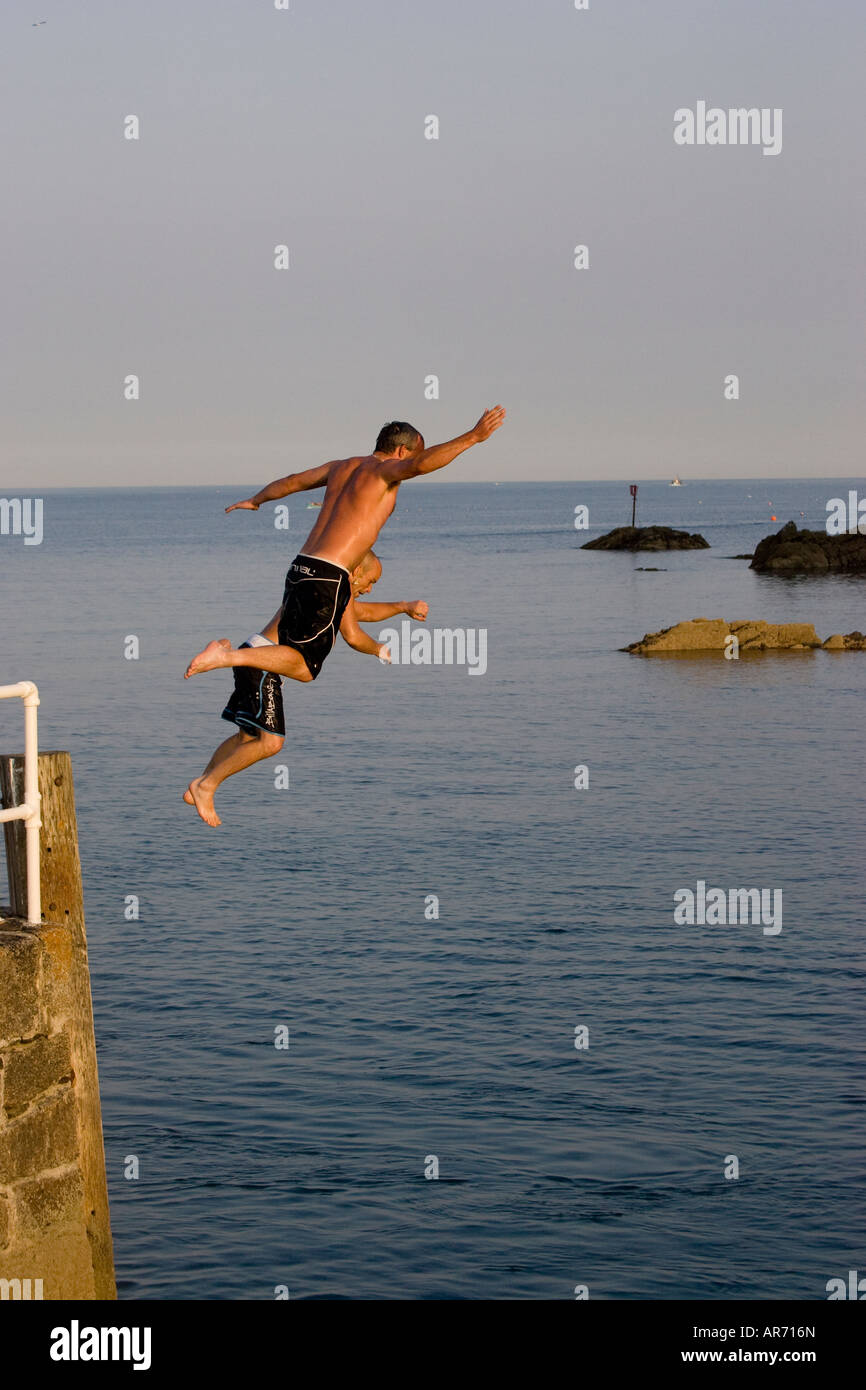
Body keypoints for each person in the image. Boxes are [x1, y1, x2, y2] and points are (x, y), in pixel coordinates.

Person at [183, 406, 505, 685]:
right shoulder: (384, 472)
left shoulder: (340, 467)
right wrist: (473, 436)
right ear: (402, 452)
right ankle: (227, 657)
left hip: (300, 567)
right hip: (328, 573)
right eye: (414, 456)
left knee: (289, 651)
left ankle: (238, 656)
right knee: (306, 666)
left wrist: (257, 499)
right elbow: (421, 466)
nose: (411, 467)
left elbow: (295, 481)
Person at [183, 551, 428, 825]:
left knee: (246, 738)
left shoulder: (326, 590)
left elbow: (364, 612)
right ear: (356, 570)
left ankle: (202, 781)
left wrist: (404, 606)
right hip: (264, 663)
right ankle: (207, 786)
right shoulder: (337, 587)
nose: (369, 589)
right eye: (371, 581)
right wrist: (381, 650)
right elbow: (354, 635)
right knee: (271, 743)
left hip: (252, 651)